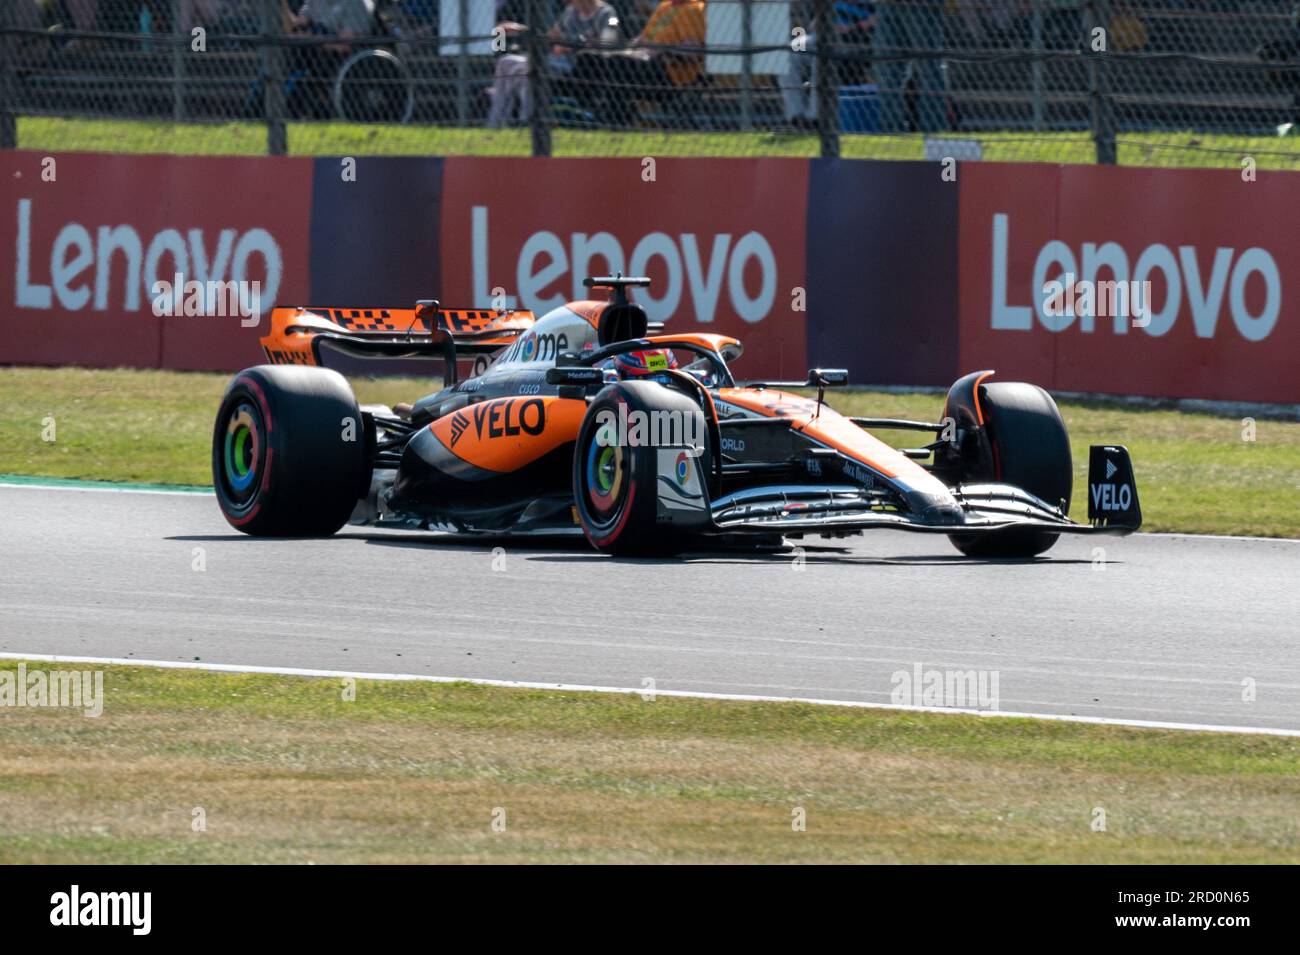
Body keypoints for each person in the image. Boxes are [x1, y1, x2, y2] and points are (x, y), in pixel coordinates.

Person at [569, 0, 706, 127]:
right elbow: (643, 38)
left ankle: (617, 118)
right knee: (588, 58)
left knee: (617, 65)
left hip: (669, 72)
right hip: (643, 60)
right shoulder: (666, 6)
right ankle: (584, 111)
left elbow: (692, 52)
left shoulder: (693, 9)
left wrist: (661, 51)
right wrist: (626, 51)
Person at [487, 0, 619, 128]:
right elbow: (550, 36)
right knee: (505, 62)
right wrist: (520, 29)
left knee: (526, 70)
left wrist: (571, 46)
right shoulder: (571, 11)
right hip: (553, 60)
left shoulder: (607, 13)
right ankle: (496, 121)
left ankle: (526, 121)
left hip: (577, 65)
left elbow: (608, 41)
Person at [781, 1, 875, 129]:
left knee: (819, 57)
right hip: (823, 35)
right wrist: (818, 23)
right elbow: (816, 21)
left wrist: (853, 27)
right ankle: (796, 117)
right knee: (788, 53)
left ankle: (814, 118)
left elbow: (878, 18)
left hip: (853, 39)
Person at [873, 0, 945, 133]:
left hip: (921, 6)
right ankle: (890, 129)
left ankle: (933, 129)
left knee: (929, 68)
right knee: (886, 69)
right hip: (886, 5)